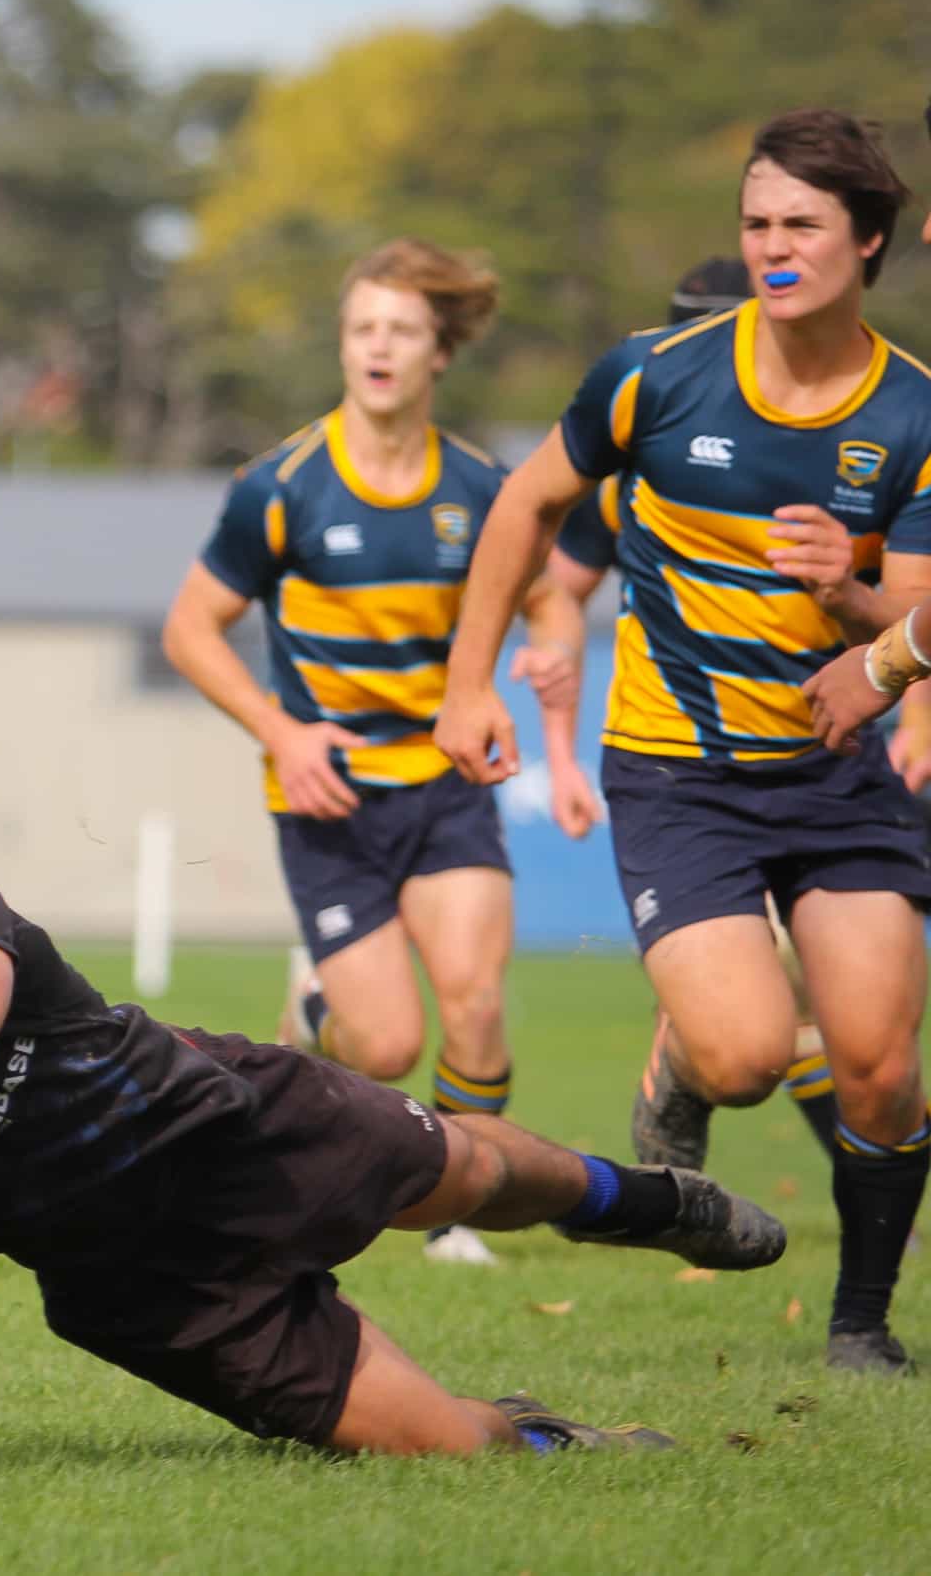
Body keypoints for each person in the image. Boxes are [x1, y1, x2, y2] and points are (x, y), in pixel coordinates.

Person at [0, 733, 786, 1455]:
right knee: (441, 1449)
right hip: (133, 1285)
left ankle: (632, 1197)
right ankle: (552, 1440)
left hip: (225, 1125)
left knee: (477, 1175)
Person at [439, 108, 931, 1376]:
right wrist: (469, 683)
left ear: (866, 241)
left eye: (801, 226)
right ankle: (683, 1079)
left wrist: (859, 604)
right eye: (755, 223)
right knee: (750, 1055)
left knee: (878, 1071)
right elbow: (527, 501)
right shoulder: (655, 374)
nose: (773, 247)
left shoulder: (916, 413)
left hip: (839, 779)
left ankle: (860, 1327)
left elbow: (915, 611)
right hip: (679, 775)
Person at [162, 239, 586, 1267]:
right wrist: (281, 731)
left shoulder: (485, 489)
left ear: (438, 352)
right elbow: (188, 629)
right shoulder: (283, 485)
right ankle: (318, 1005)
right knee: (387, 1045)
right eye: (361, 330)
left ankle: (455, 1215)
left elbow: (551, 601)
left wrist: (554, 667)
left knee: (477, 1002)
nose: (377, 348)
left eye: (399, 330)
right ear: (343, 348)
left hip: (445, 785)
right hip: (330, 798)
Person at [525, 256, 850, 1168]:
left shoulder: (844, 441)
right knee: (772, 1003)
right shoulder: (632, 474)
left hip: (824, 752)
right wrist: (555, 725)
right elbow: (556, 589)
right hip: (682, 763)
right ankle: (694, 1108)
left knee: (832, 1005)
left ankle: (869, 1217)